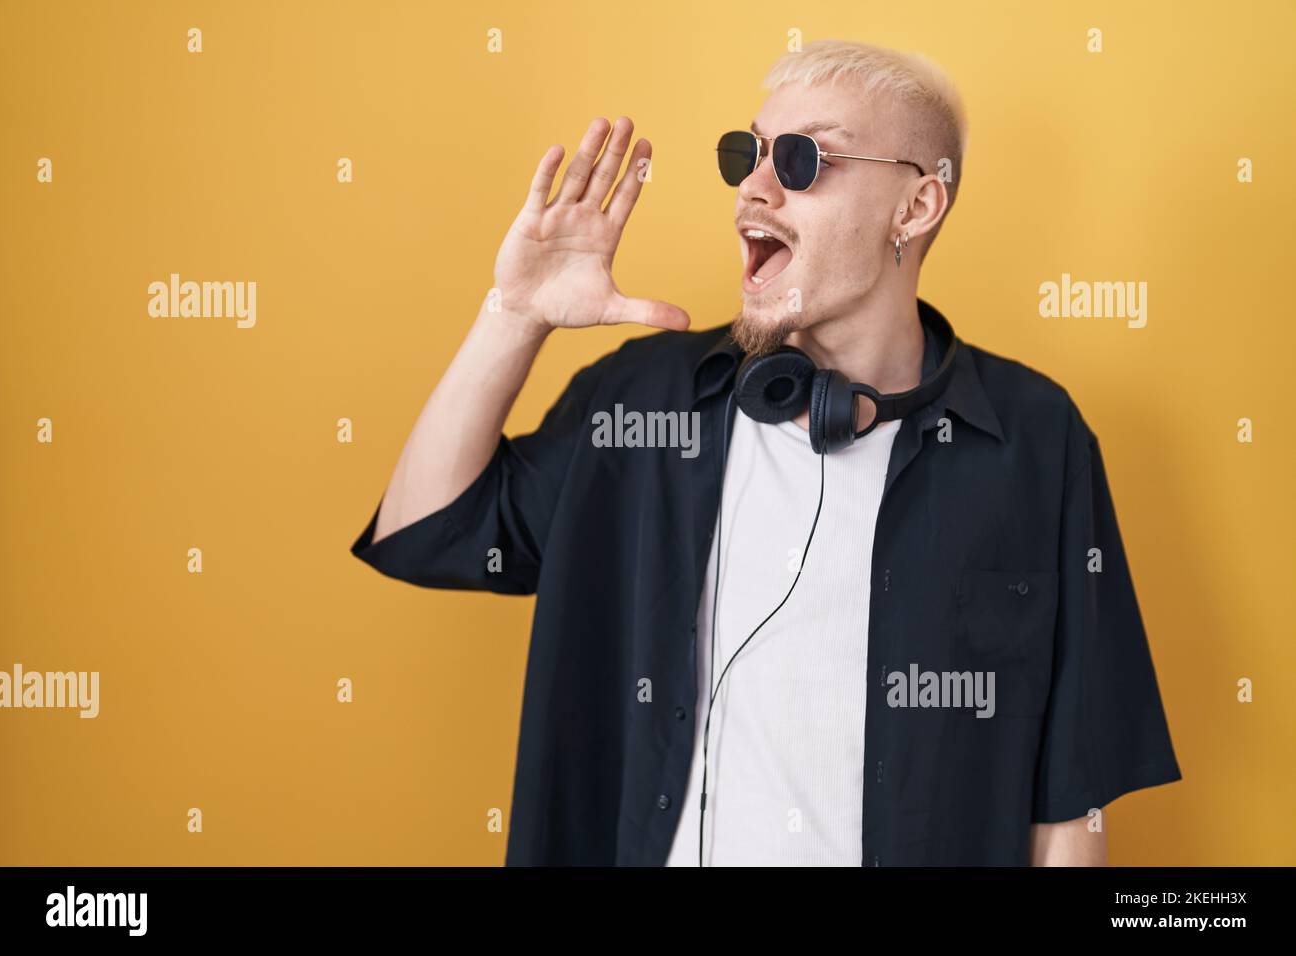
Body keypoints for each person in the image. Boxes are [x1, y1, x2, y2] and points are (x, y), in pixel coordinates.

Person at [351, 39, 1181, 866]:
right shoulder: (645, 402)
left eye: (801, 157)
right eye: (748, 154)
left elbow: (1071, 802)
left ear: (917, 206)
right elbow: (424, 530)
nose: (754, 186)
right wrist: (516, 311)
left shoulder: (1036, 439)